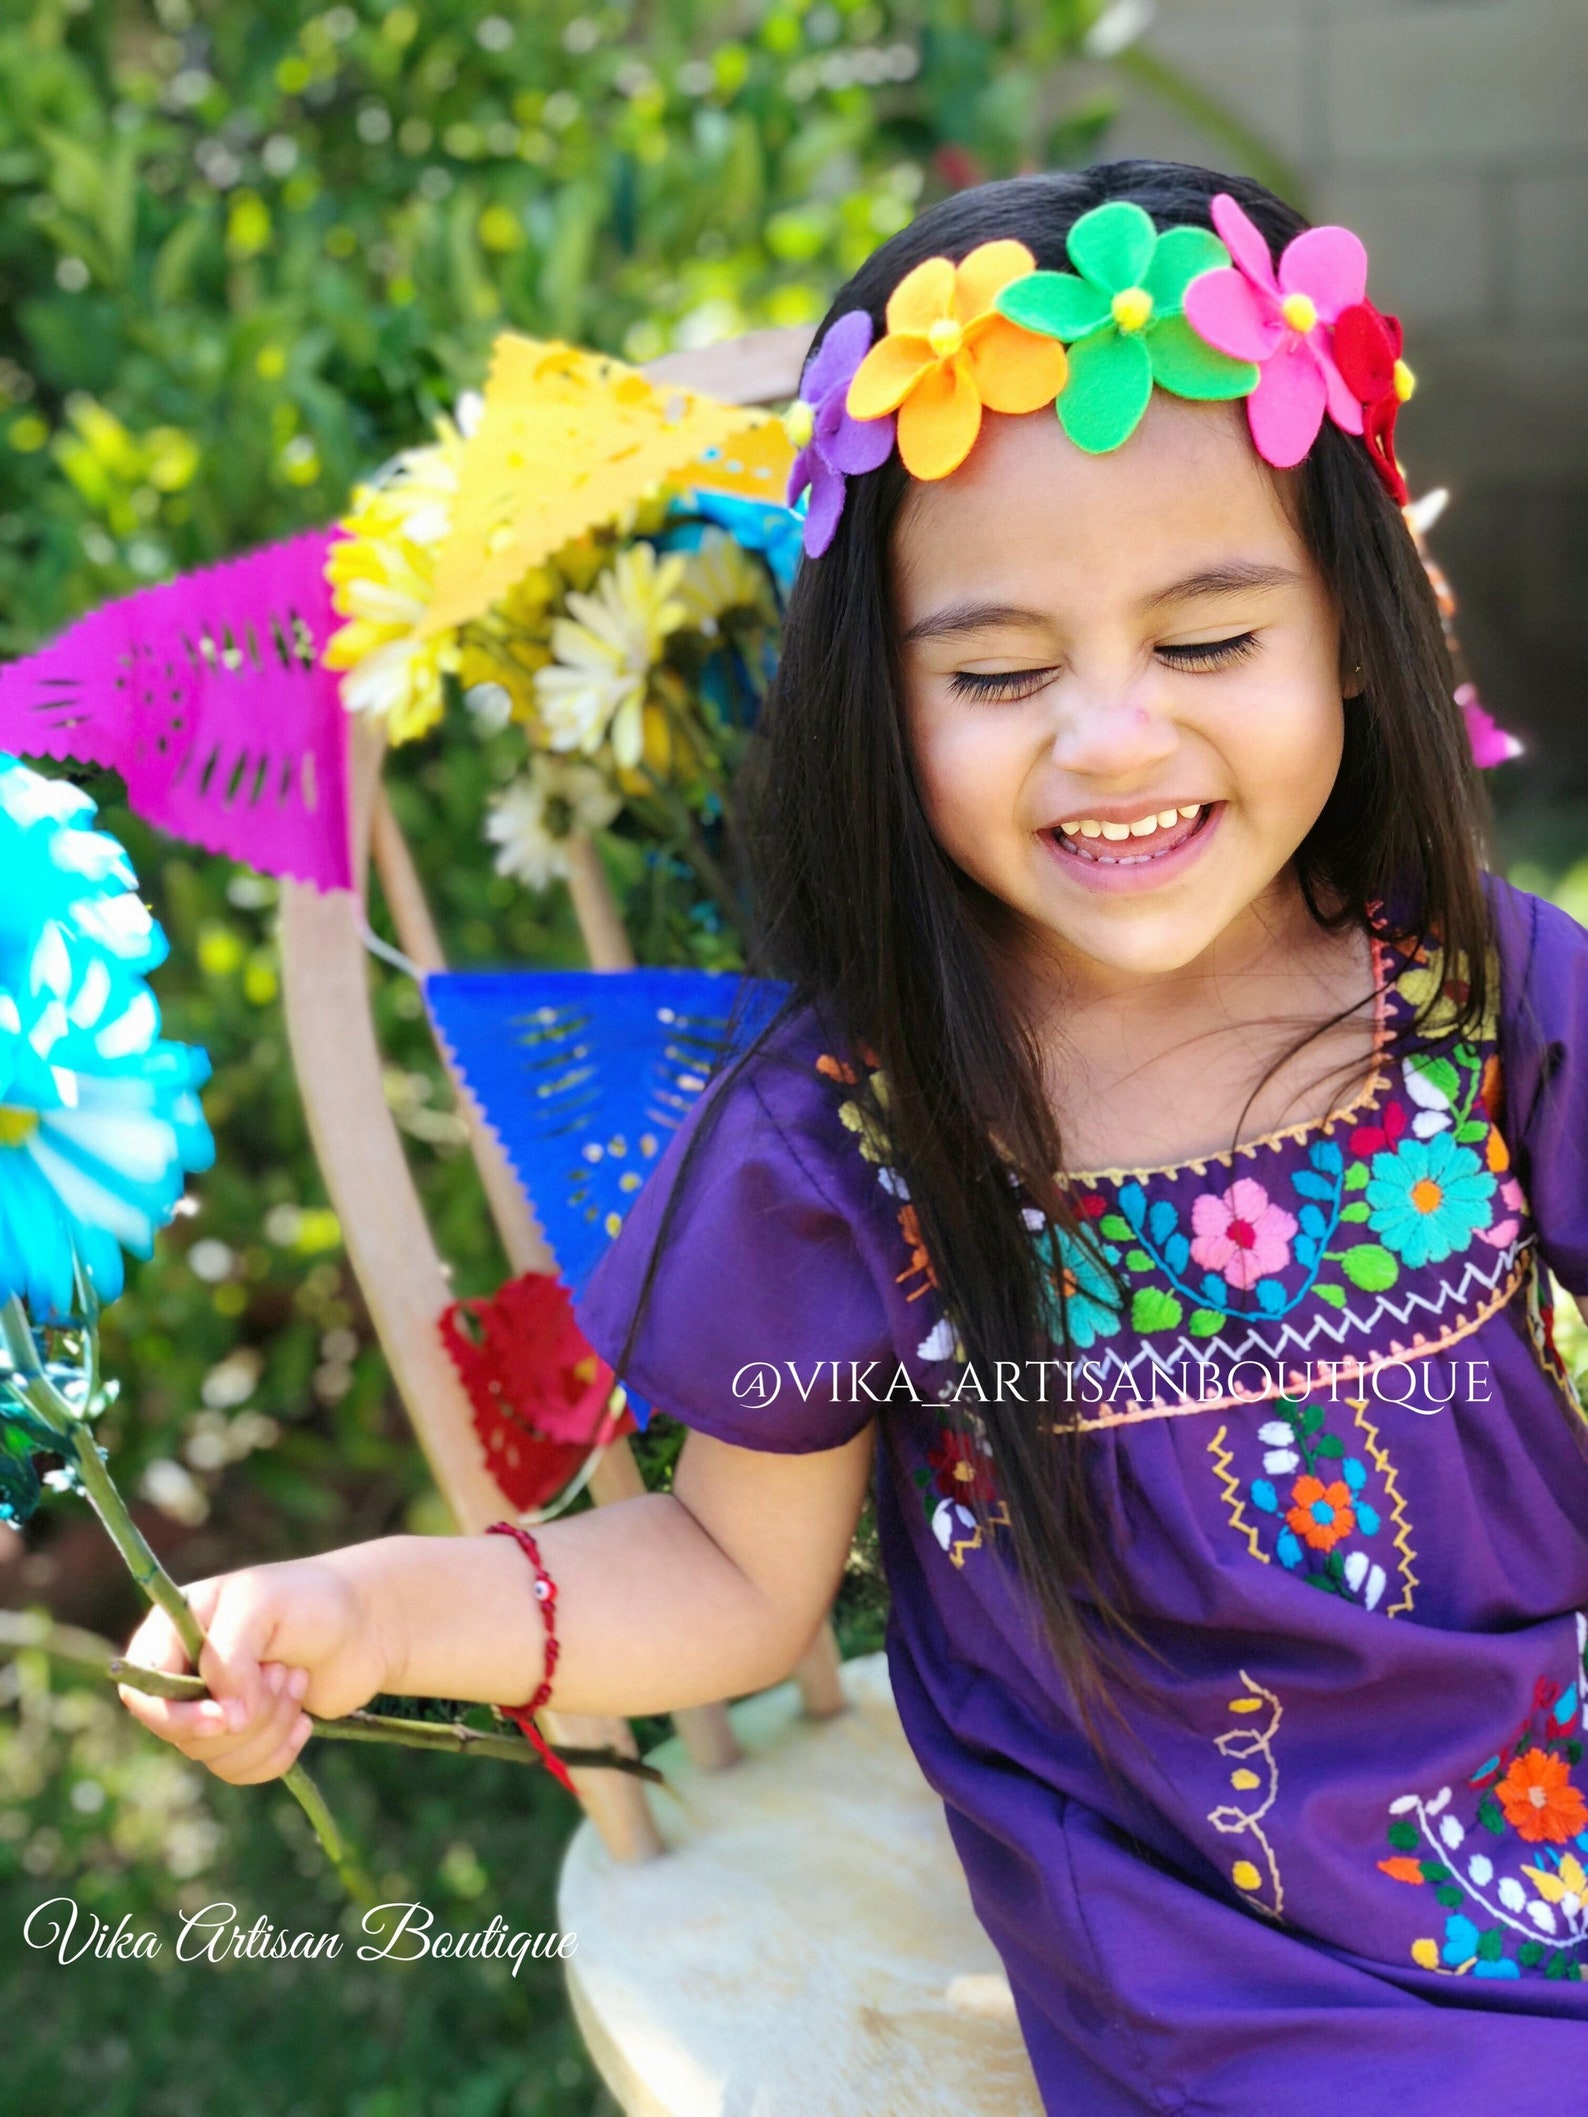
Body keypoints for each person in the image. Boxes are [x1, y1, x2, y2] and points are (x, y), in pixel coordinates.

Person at [118, 160, 1588, 2109]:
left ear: (1353, 629)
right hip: (1234, 1962)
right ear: (871, 711)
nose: (1112, 737)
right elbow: (730, 1581)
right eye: (995, 673)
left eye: (1207, 641)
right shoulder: (861, 1138)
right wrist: (365, 1608)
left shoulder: (1453, 981)